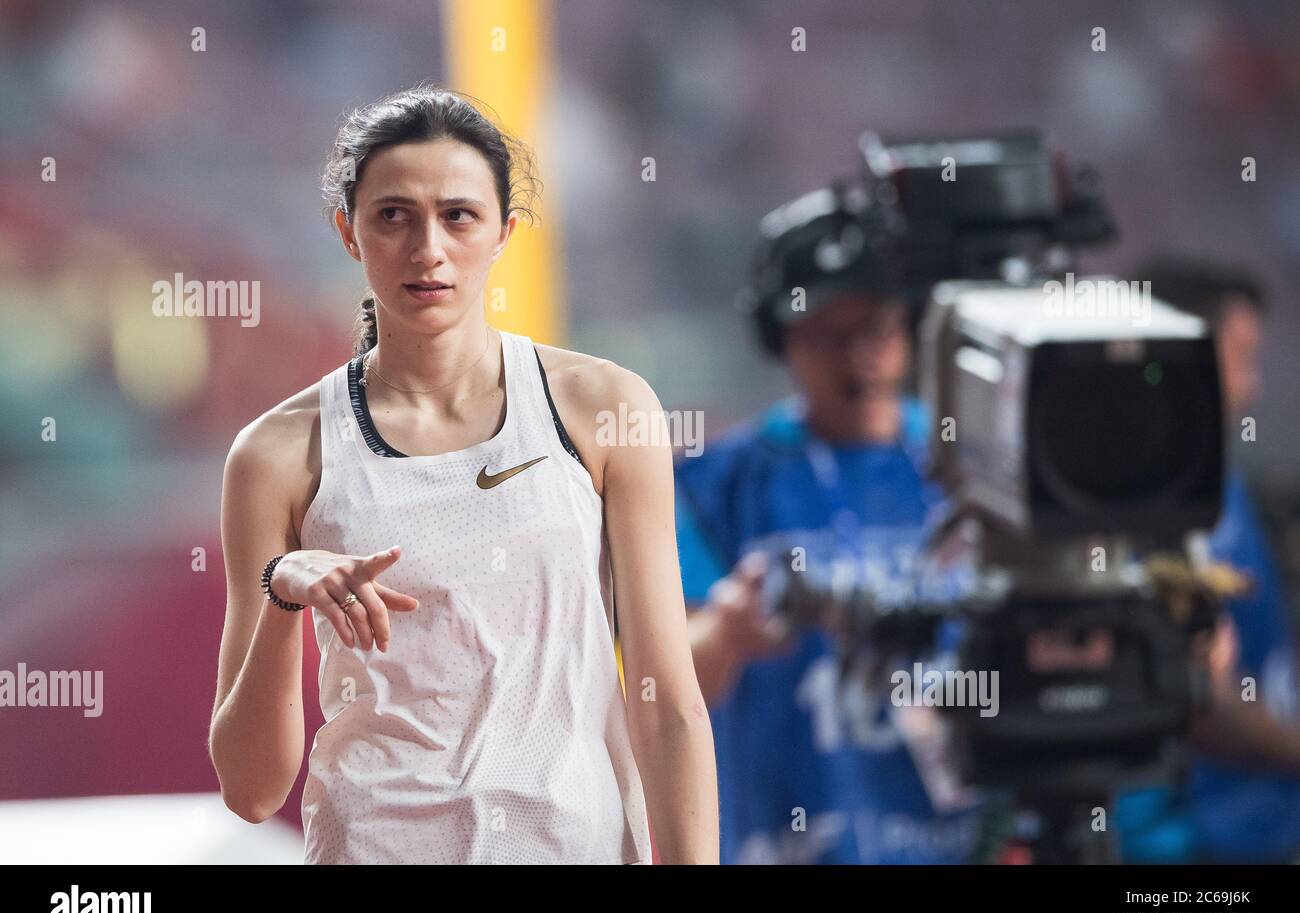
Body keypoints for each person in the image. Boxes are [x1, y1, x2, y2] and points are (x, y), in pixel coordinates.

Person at [207, 84, 717, 864]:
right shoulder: (277, 453)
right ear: (349, 231)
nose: (427, 249)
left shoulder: (604, 407)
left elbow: (668, 704)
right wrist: (285, 586)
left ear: (505, 232)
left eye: (458, 215)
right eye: (393, 216)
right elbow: (250, 789)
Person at [675, 184, 982, 864]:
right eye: (825, 332)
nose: (856, 355)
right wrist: (726, 632)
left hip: (966, 840)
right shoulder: (717, 482)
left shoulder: (977, 467)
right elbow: (666, 678)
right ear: (780, 339)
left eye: (874, 326)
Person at [1115, 254, 1300, 863]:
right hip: (1184, 849)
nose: (1251, 388)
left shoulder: (1222, 479)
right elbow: (1200, 705)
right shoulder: (1137, 501)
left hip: (1263, 830)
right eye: (1239, 360)